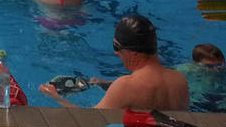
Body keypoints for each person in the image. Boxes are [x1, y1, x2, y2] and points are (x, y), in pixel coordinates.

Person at [39, 14, 189, 111]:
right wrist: (107, 83)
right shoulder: (179, 80)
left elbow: (88, 120)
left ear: (133, 52)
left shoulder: (125, 86)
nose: (116, 53)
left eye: (116, 47)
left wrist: (56, 97)